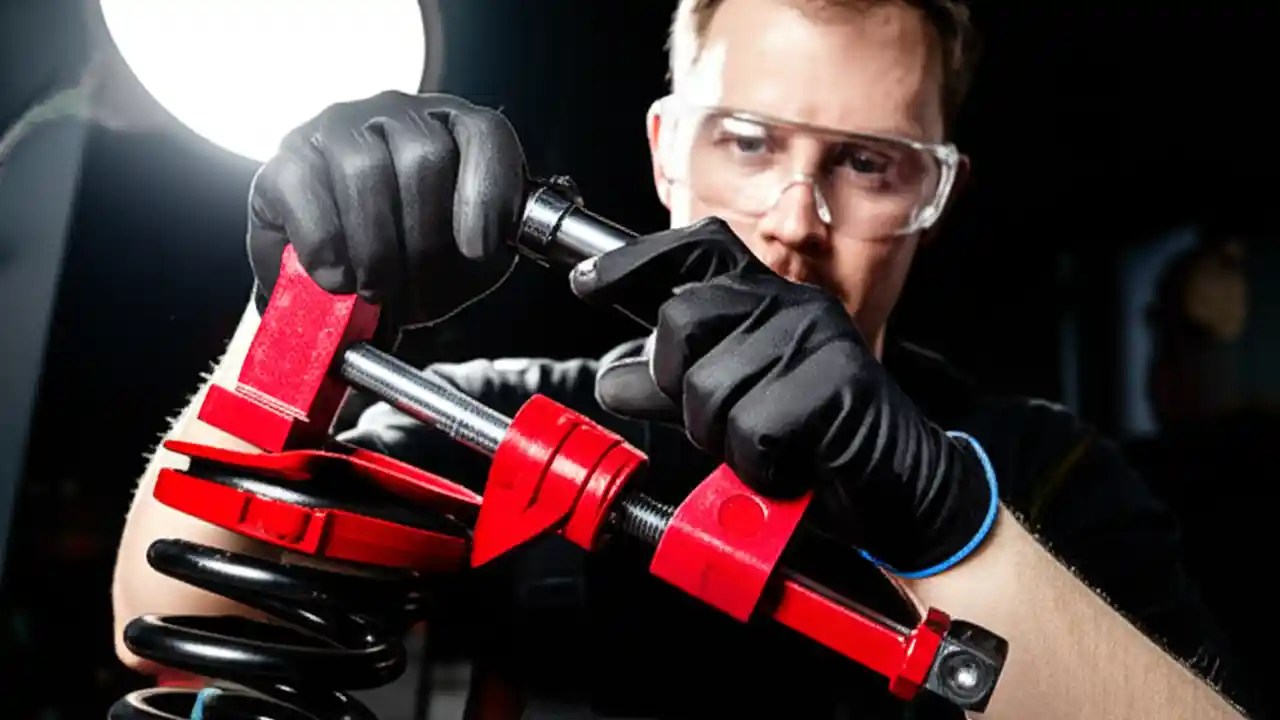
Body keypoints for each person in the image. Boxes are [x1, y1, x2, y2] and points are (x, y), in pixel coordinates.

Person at [112, 0, 1255, 717]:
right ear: (667, 154)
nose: (794, 216)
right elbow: (166, 627)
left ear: (933, 194)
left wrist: (947, 526)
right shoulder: (489, 423)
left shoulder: (1046, 477)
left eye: (868, 162)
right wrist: (296, 325)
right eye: (747, 141)